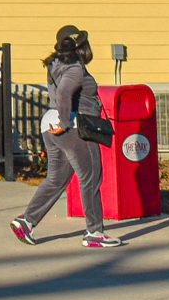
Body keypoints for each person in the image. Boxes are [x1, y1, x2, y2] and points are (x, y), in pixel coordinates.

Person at [11, 25, 115, 250]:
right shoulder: (75, 68)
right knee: (90, 177)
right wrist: (66, 122)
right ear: (81, 46)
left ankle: (26, 221)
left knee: (57, 179)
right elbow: (64, 92)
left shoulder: (55, 64)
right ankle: (95, 232)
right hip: (74, 127)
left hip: (49, 123)